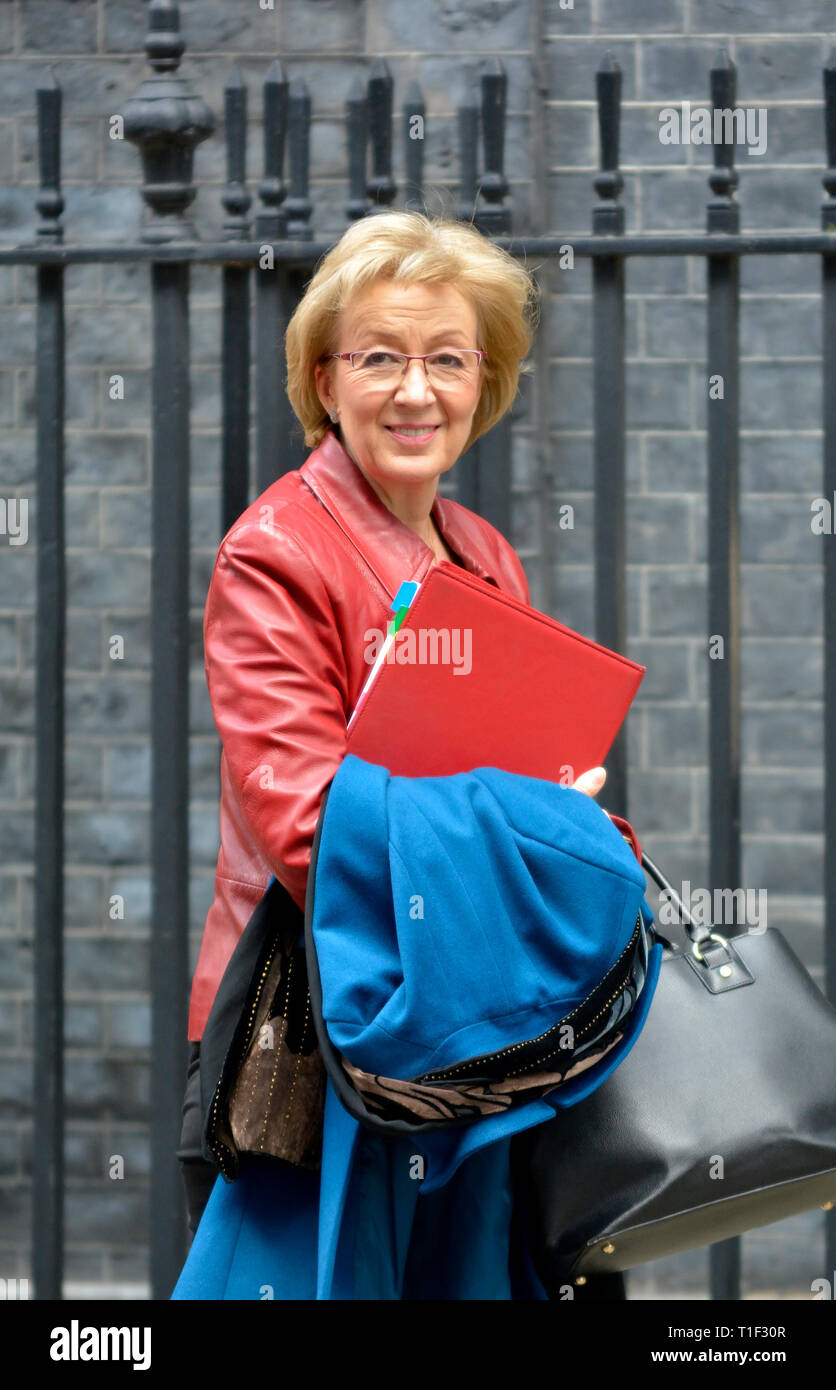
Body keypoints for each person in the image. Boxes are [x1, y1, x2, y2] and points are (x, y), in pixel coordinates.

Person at [176, 209, 627, 1299]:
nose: (414, 391)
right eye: (378, 357)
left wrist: (557, 812)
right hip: (330, 1036)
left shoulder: (481, 550)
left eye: (445, 359)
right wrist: (542, 829)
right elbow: (306, 827)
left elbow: (517, 781)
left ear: (485, 381)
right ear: (324, 380)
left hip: (471, 1037)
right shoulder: (273, 552)